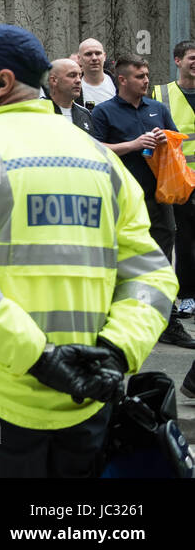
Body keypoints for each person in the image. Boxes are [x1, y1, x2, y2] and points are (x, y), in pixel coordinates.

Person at [0, 25, 177, 477]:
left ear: (2, 83)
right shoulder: (98, 156)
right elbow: (152, 277)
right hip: (88, 397)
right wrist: (116, 354)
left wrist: (41, 360)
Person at [90, 53, 195, 349]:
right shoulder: (104, 112)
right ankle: (113, 321)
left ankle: (167, 322)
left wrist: (166, 138)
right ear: (122, 79)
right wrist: (133, 145)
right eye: (139, 76)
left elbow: (177, 140)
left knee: (161, 261)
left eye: (147, 75)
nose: (146, 80)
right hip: (121, 199)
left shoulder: (157, 108)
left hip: (158, 196)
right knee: (120, 258)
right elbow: (95, 148)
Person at [151, 40, 195, 319]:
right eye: (192, 57)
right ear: (177, 60)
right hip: (181, 180)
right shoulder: (161, 94)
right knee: (186, 240)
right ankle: (188, 296)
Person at [47, 57, 93, 133]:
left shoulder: (85, 114)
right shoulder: (39, 112)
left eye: (80, 76)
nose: (78, 80)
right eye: (72, 75)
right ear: (54, 80)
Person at [77, 37, 115, 108]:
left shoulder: (119, 85)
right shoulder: (73, 87)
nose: (94, 58)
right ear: (79, 59)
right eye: (88, 54)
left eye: (98, 53)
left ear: (104, 56)